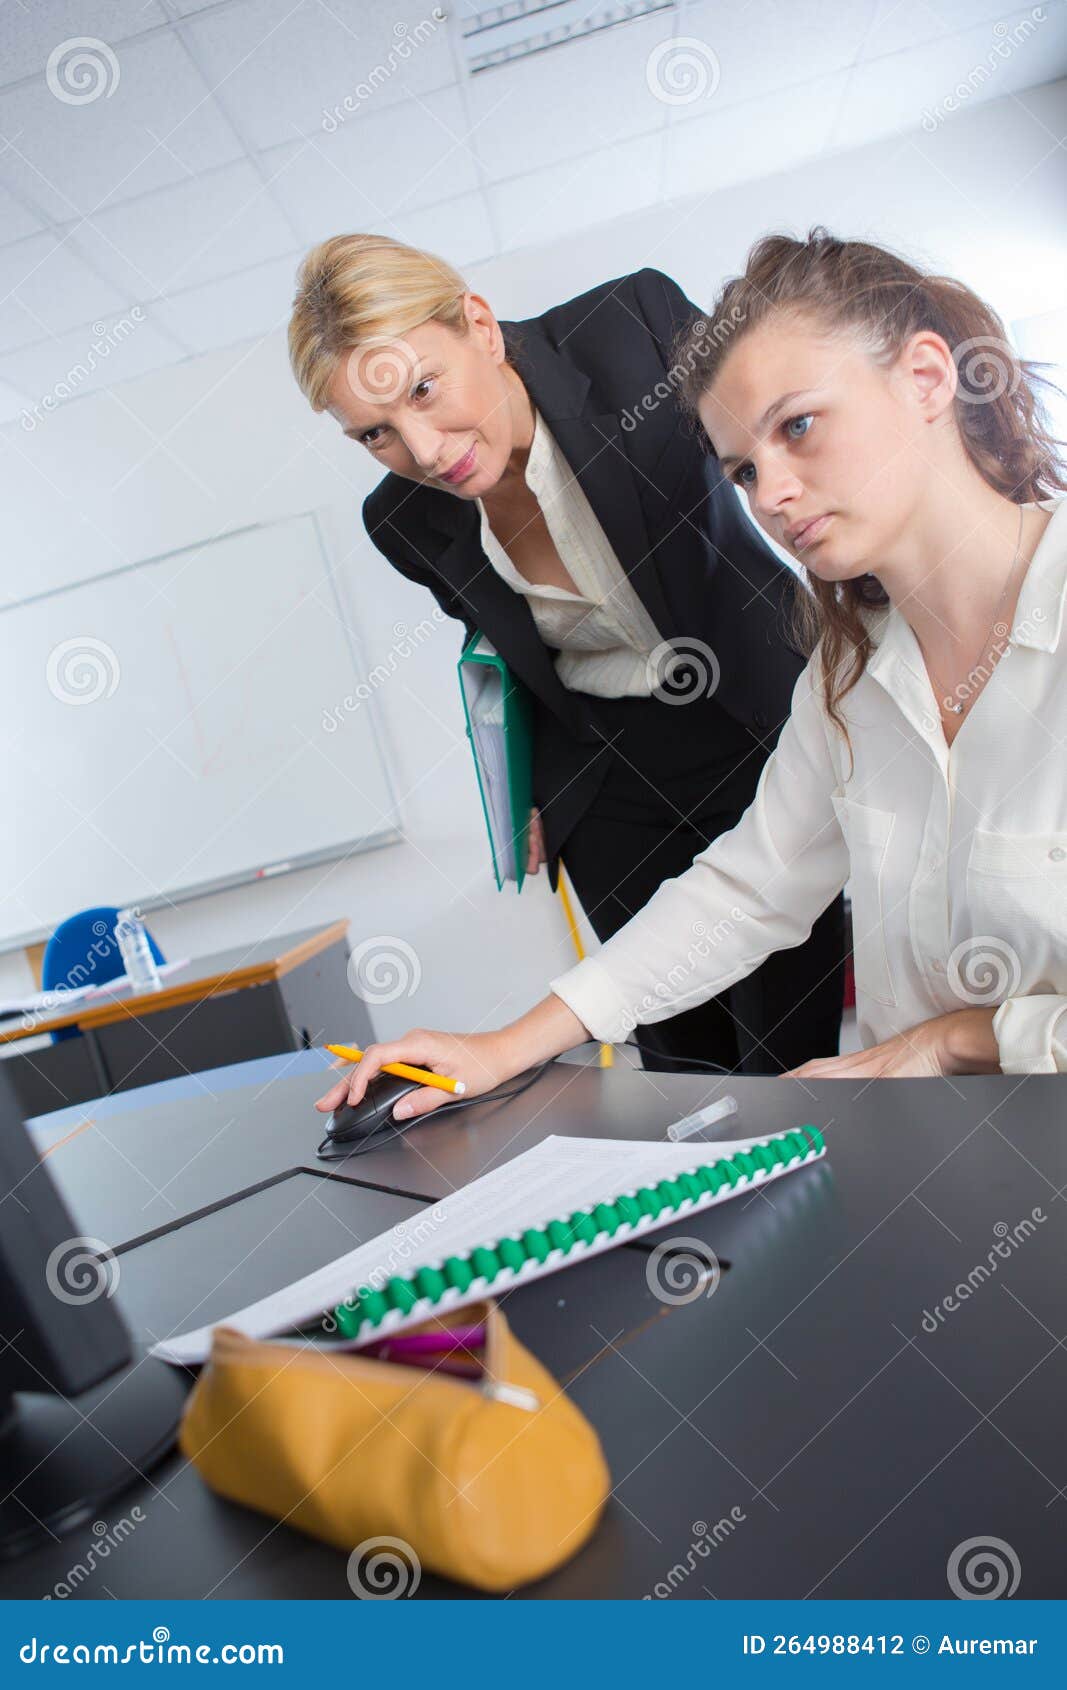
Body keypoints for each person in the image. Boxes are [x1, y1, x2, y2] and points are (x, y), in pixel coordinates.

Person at [315, 224, 1067, 1124]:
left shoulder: (629, 336)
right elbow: (747, 886)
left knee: (782, 1033)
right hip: (928, 1140)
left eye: (799, 428)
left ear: (928, 379)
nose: (773, 495)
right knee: (694, 1086)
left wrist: (951, 1042)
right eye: (742, 469)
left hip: (740, 716)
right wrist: (497, 1050)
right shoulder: (852, 677)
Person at [288, 235, 845, 1076]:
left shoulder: (633, 332)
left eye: (424, 390)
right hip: (612, 784)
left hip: (759, 724)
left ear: (477, 324)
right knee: (675, 1058)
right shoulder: (400, 523)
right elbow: (512, 653)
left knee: (787, 1049)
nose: (426, 451)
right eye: (376, 433)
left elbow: (782, 459)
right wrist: (529, 783)